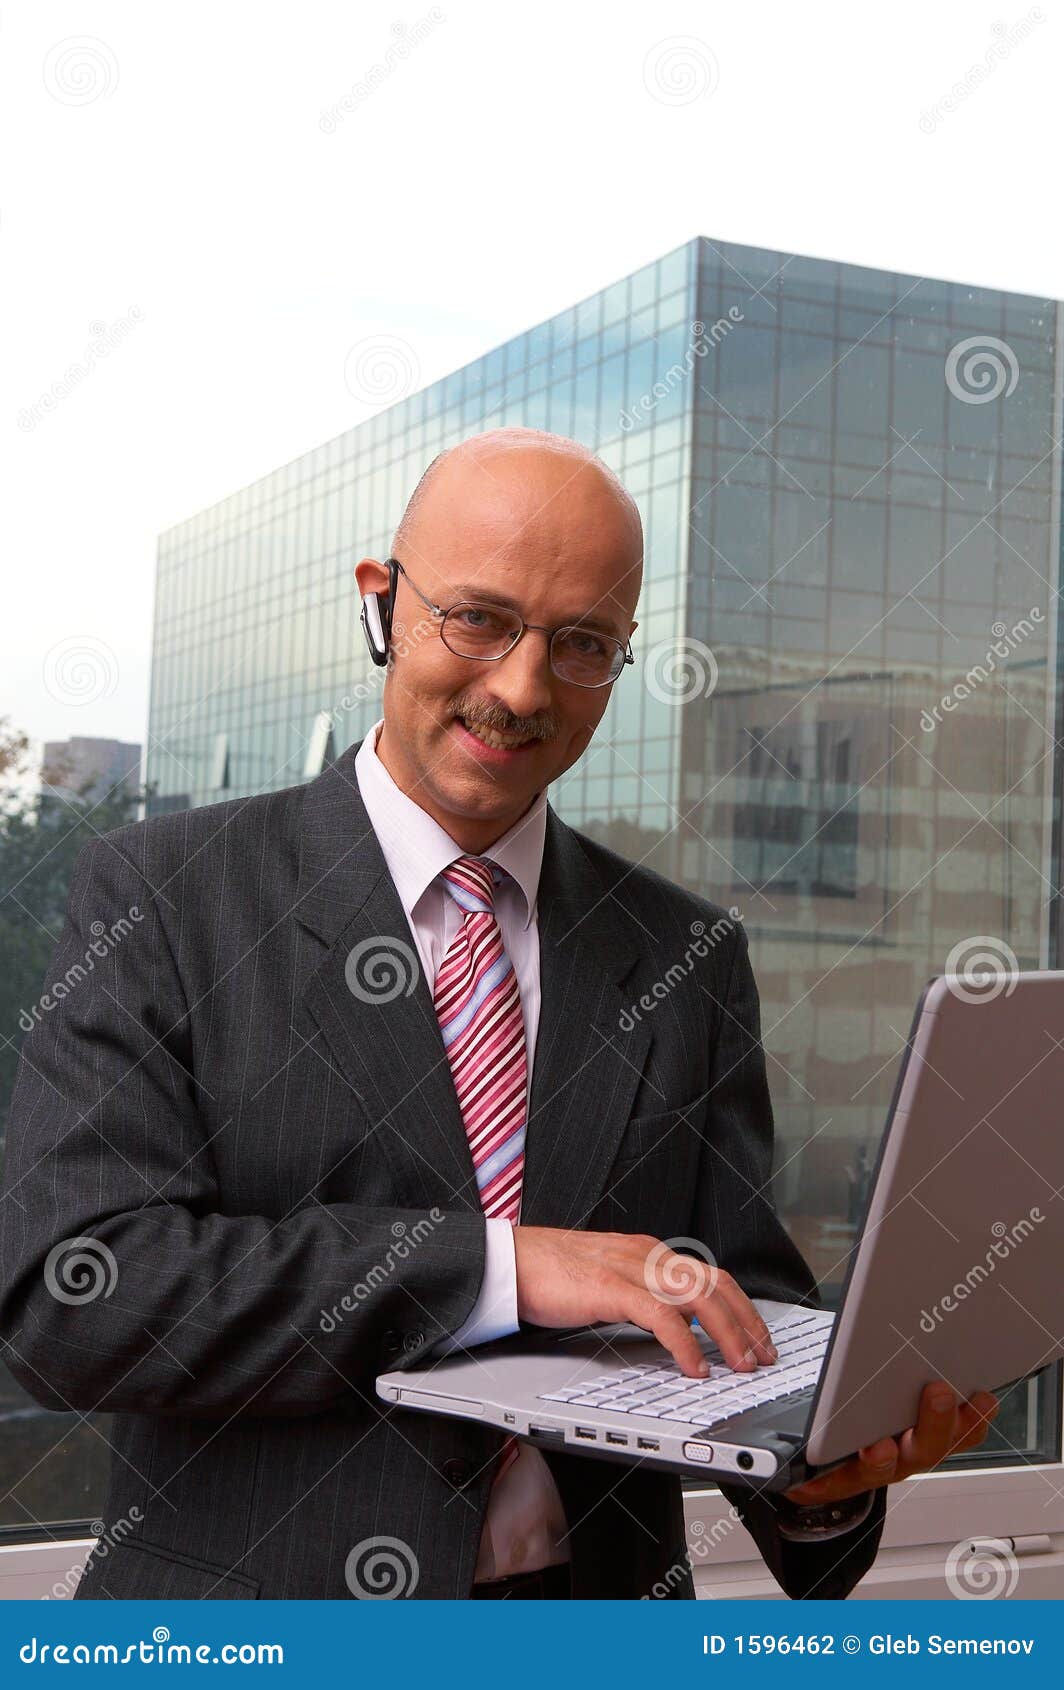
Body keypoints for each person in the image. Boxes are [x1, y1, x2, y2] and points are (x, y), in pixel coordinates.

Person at [0, 427, 998, 1600]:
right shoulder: (166, 898)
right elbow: (72, 1292)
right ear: (381, 602)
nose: (520, 689)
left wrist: (823, 1469)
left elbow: (736, 1313)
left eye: (581, 644)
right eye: (477, 619)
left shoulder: (685, 954)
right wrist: (501, 1270)